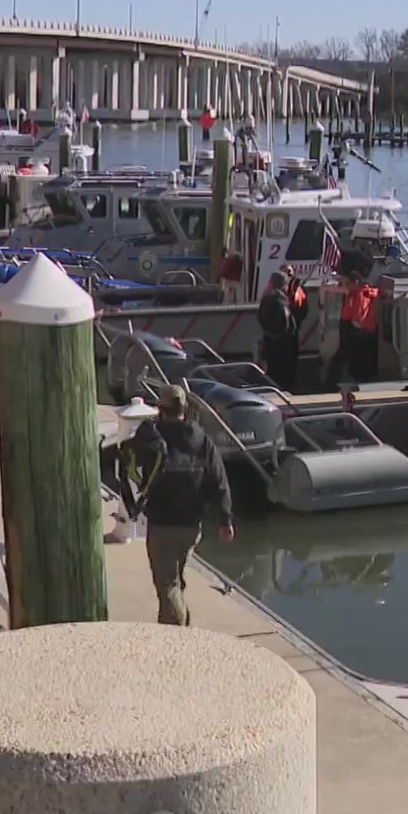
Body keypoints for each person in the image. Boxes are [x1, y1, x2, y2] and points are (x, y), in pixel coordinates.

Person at [118, 385, 234, 626]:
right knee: (176, 580)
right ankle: (177, 629)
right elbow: (219, 480)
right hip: (191, 526)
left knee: (167, 586)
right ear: (185, 409)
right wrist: (225, 520)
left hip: (162, 524)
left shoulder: (152, 435)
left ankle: (176, 637)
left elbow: (130, 460)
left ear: (160, 408)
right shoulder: (201, 438)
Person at [255, 265, 298, 390]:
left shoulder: (266, 297)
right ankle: (281, 390)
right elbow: (284, 319)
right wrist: (285, 332)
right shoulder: (279, 299)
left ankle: (273, 388)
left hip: (270, 338)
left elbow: (260, 317)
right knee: (281, 368)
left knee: (272, 367)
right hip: (281, 341)